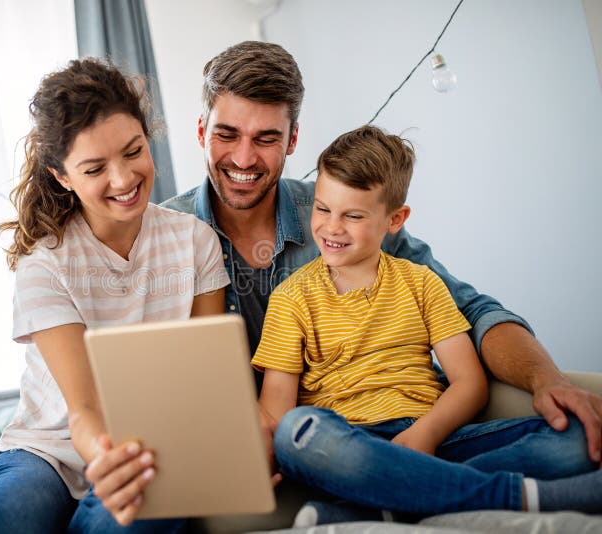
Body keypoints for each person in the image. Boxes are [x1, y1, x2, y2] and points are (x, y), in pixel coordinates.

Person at [161, 40, 601, 464]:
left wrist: (547, 380)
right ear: (201, 131)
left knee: (574, 438)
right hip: (308, 441)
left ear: (292, 140)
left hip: (399, 423)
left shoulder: (351, 213)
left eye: (265, 138)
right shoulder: (161, 235)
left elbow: (473, 310)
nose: (243, 158)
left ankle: (414, 484)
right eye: (227, 134)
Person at [0, 58, 228, 534]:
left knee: (133, 518)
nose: (124, 179)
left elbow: (209, 379)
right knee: (2, 524)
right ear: (62, 175)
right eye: (95, 168)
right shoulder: (45, 262)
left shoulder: (196, 242)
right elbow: (83, 409)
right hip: (49, 450)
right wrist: (106, 458)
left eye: (133, 152)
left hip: (151, 451)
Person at [252, 125, 600, 524]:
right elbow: (278, 412)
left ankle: (376, 507)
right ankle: (512, 495)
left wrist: (427, 434)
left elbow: (469, 383)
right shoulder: (291, 298)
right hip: (349, 445)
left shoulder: (421, 282)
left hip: (433, 437)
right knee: (300, 431)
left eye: (353, 216)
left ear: (395, 218)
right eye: (323, 208)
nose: (331, 228)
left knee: (574, 439)